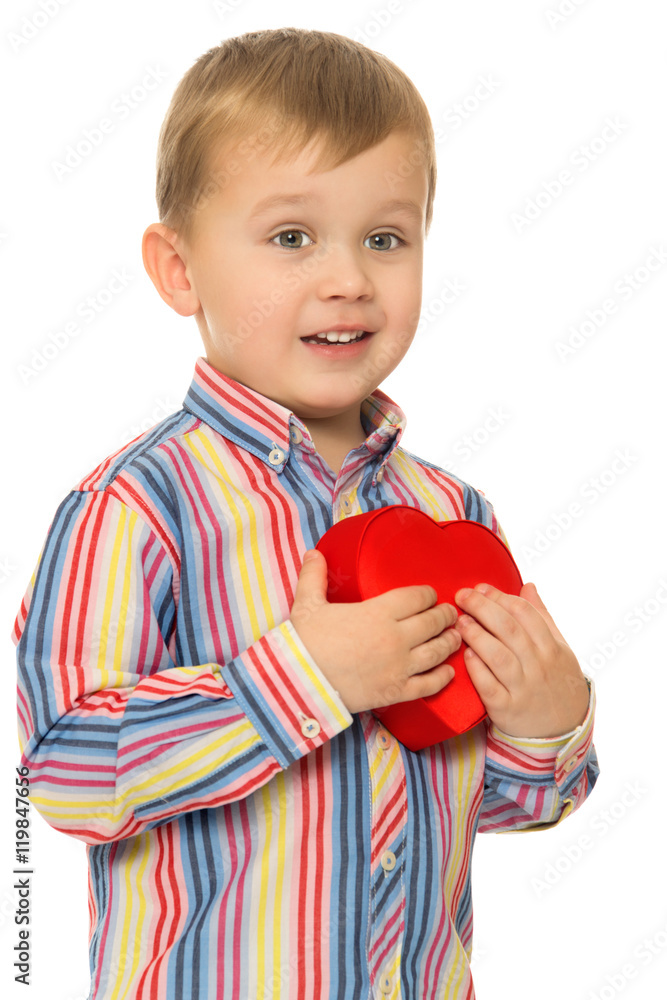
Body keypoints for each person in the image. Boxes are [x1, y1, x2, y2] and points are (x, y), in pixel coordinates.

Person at [13, 27, 598, 1000]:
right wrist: (305, 677)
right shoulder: (136, 510)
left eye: (385, 237)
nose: (348, 278)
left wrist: (549, 729)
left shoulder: (455, 513)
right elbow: (69, 770)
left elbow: (478, 801)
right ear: (179, 270)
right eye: (292, 237)